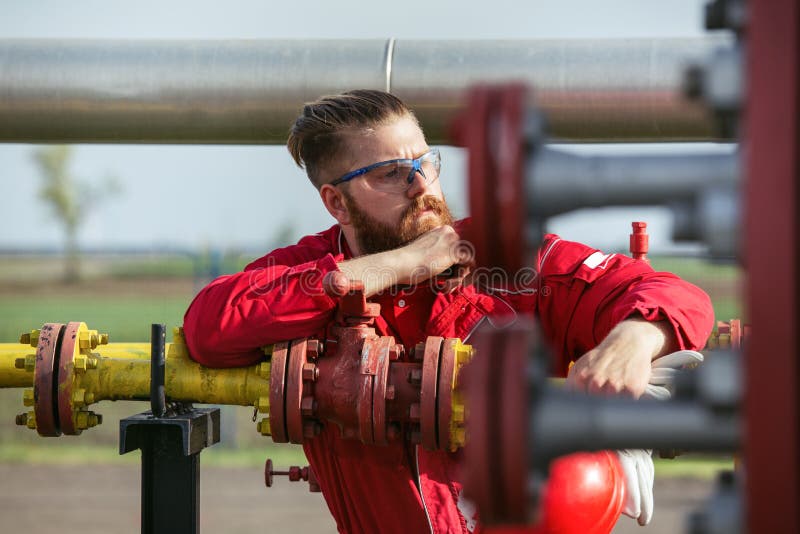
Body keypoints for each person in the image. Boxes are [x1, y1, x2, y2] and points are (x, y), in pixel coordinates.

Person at [183, 89, 714, 533]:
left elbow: (669, 293)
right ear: (336, 203)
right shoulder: (306, 270)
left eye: (424, 162)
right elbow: (210, 325)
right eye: (390, 174)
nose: (422, 186)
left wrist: (634, 342)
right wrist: (399, 265)